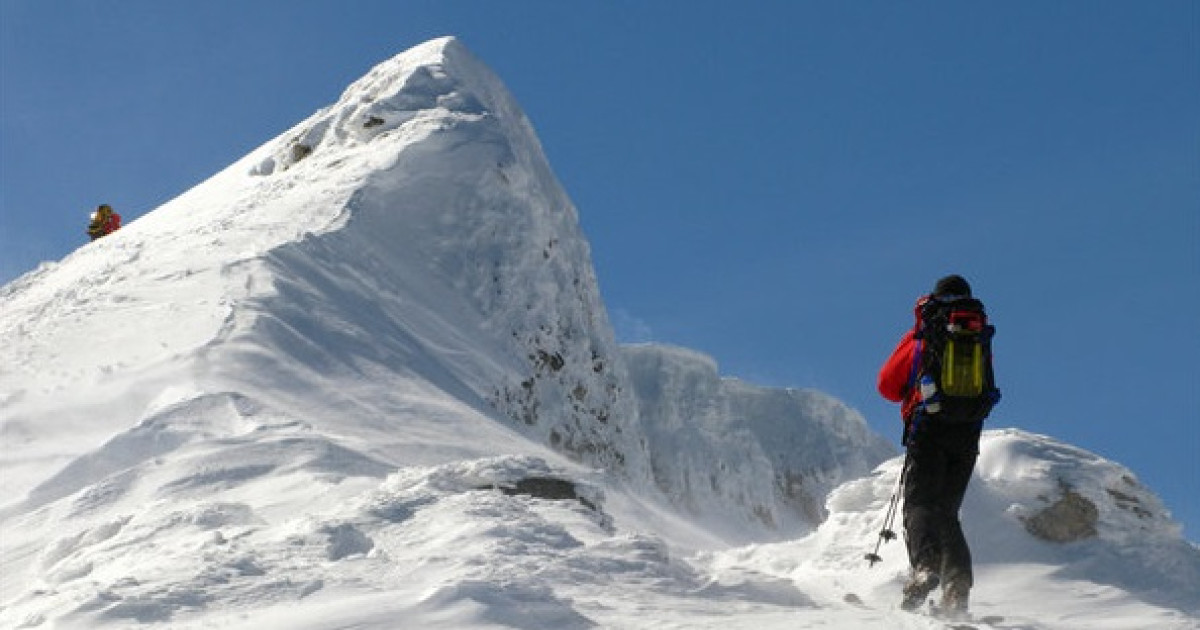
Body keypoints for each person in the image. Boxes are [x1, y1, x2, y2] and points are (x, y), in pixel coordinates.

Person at [877, 274, 998, 619]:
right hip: (967, 432)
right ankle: (956, 589)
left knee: (919, 504)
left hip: (928, 428)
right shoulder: (978, 335)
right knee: (947, 512)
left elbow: (887, 384)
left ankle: (924, 568)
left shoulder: (925, 334)